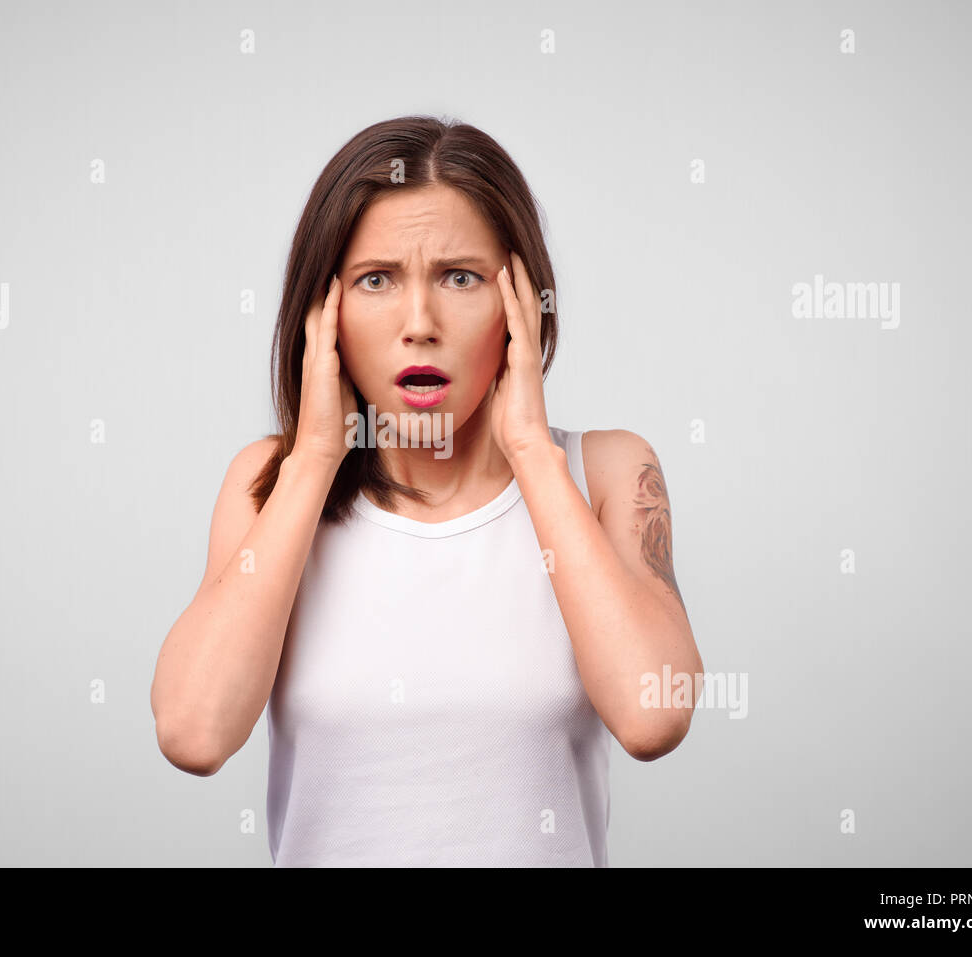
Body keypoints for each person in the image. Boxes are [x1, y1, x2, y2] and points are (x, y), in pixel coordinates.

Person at [150, 115, 704, 866]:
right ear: (326, 314)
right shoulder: (267, 486)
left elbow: (654, 714)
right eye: (376, 279)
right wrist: (315, 455)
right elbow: (194, 732)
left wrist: (532, 452)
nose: (420, 323)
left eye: (460, 277)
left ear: (520, 304)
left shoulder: (606, 474)